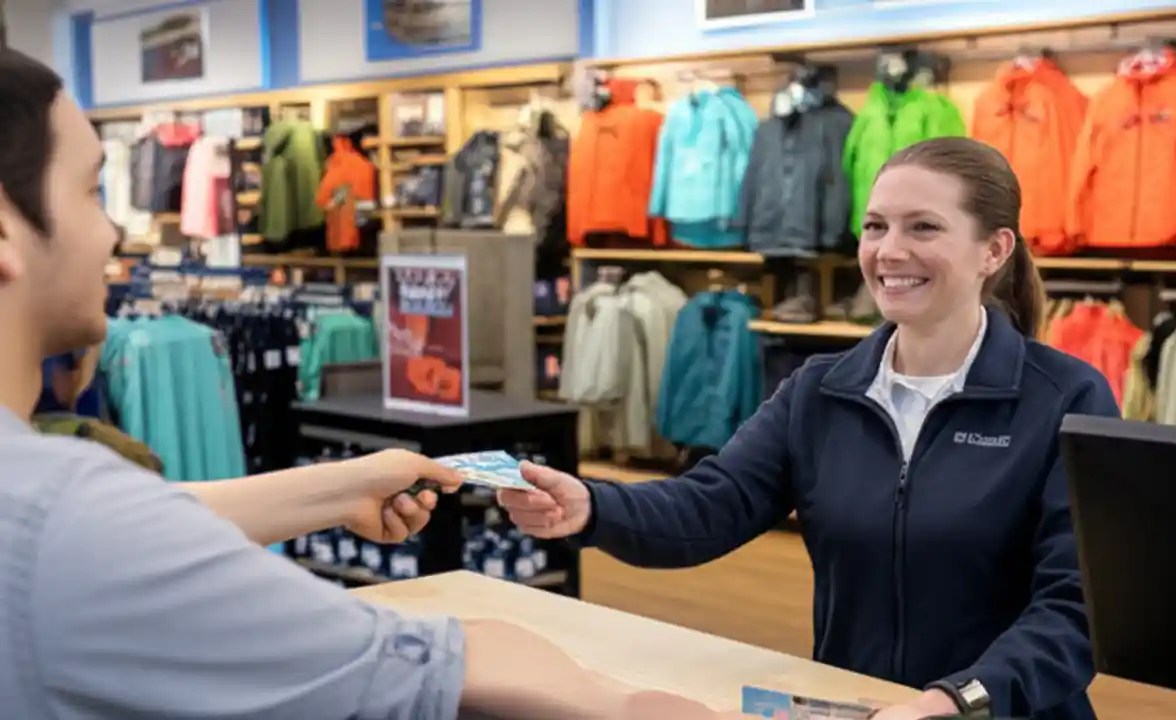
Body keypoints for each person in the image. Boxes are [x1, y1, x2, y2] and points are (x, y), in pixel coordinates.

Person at [0, 48, 747, 719]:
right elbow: (412, 662)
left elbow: (140, 524)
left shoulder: (43, 498)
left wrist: (341, 487)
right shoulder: (61, 517)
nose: (113, 233)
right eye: (93, 191)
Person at [501, 137, 1121, 720]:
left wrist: (957, 701)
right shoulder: (820, 391)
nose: (889, 251)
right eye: (875, 226)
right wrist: (592, 507)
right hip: (856, 705)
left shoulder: (1067, 396)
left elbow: (1080, 605)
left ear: (995, 250)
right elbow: (712, 503)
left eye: (923, 227)